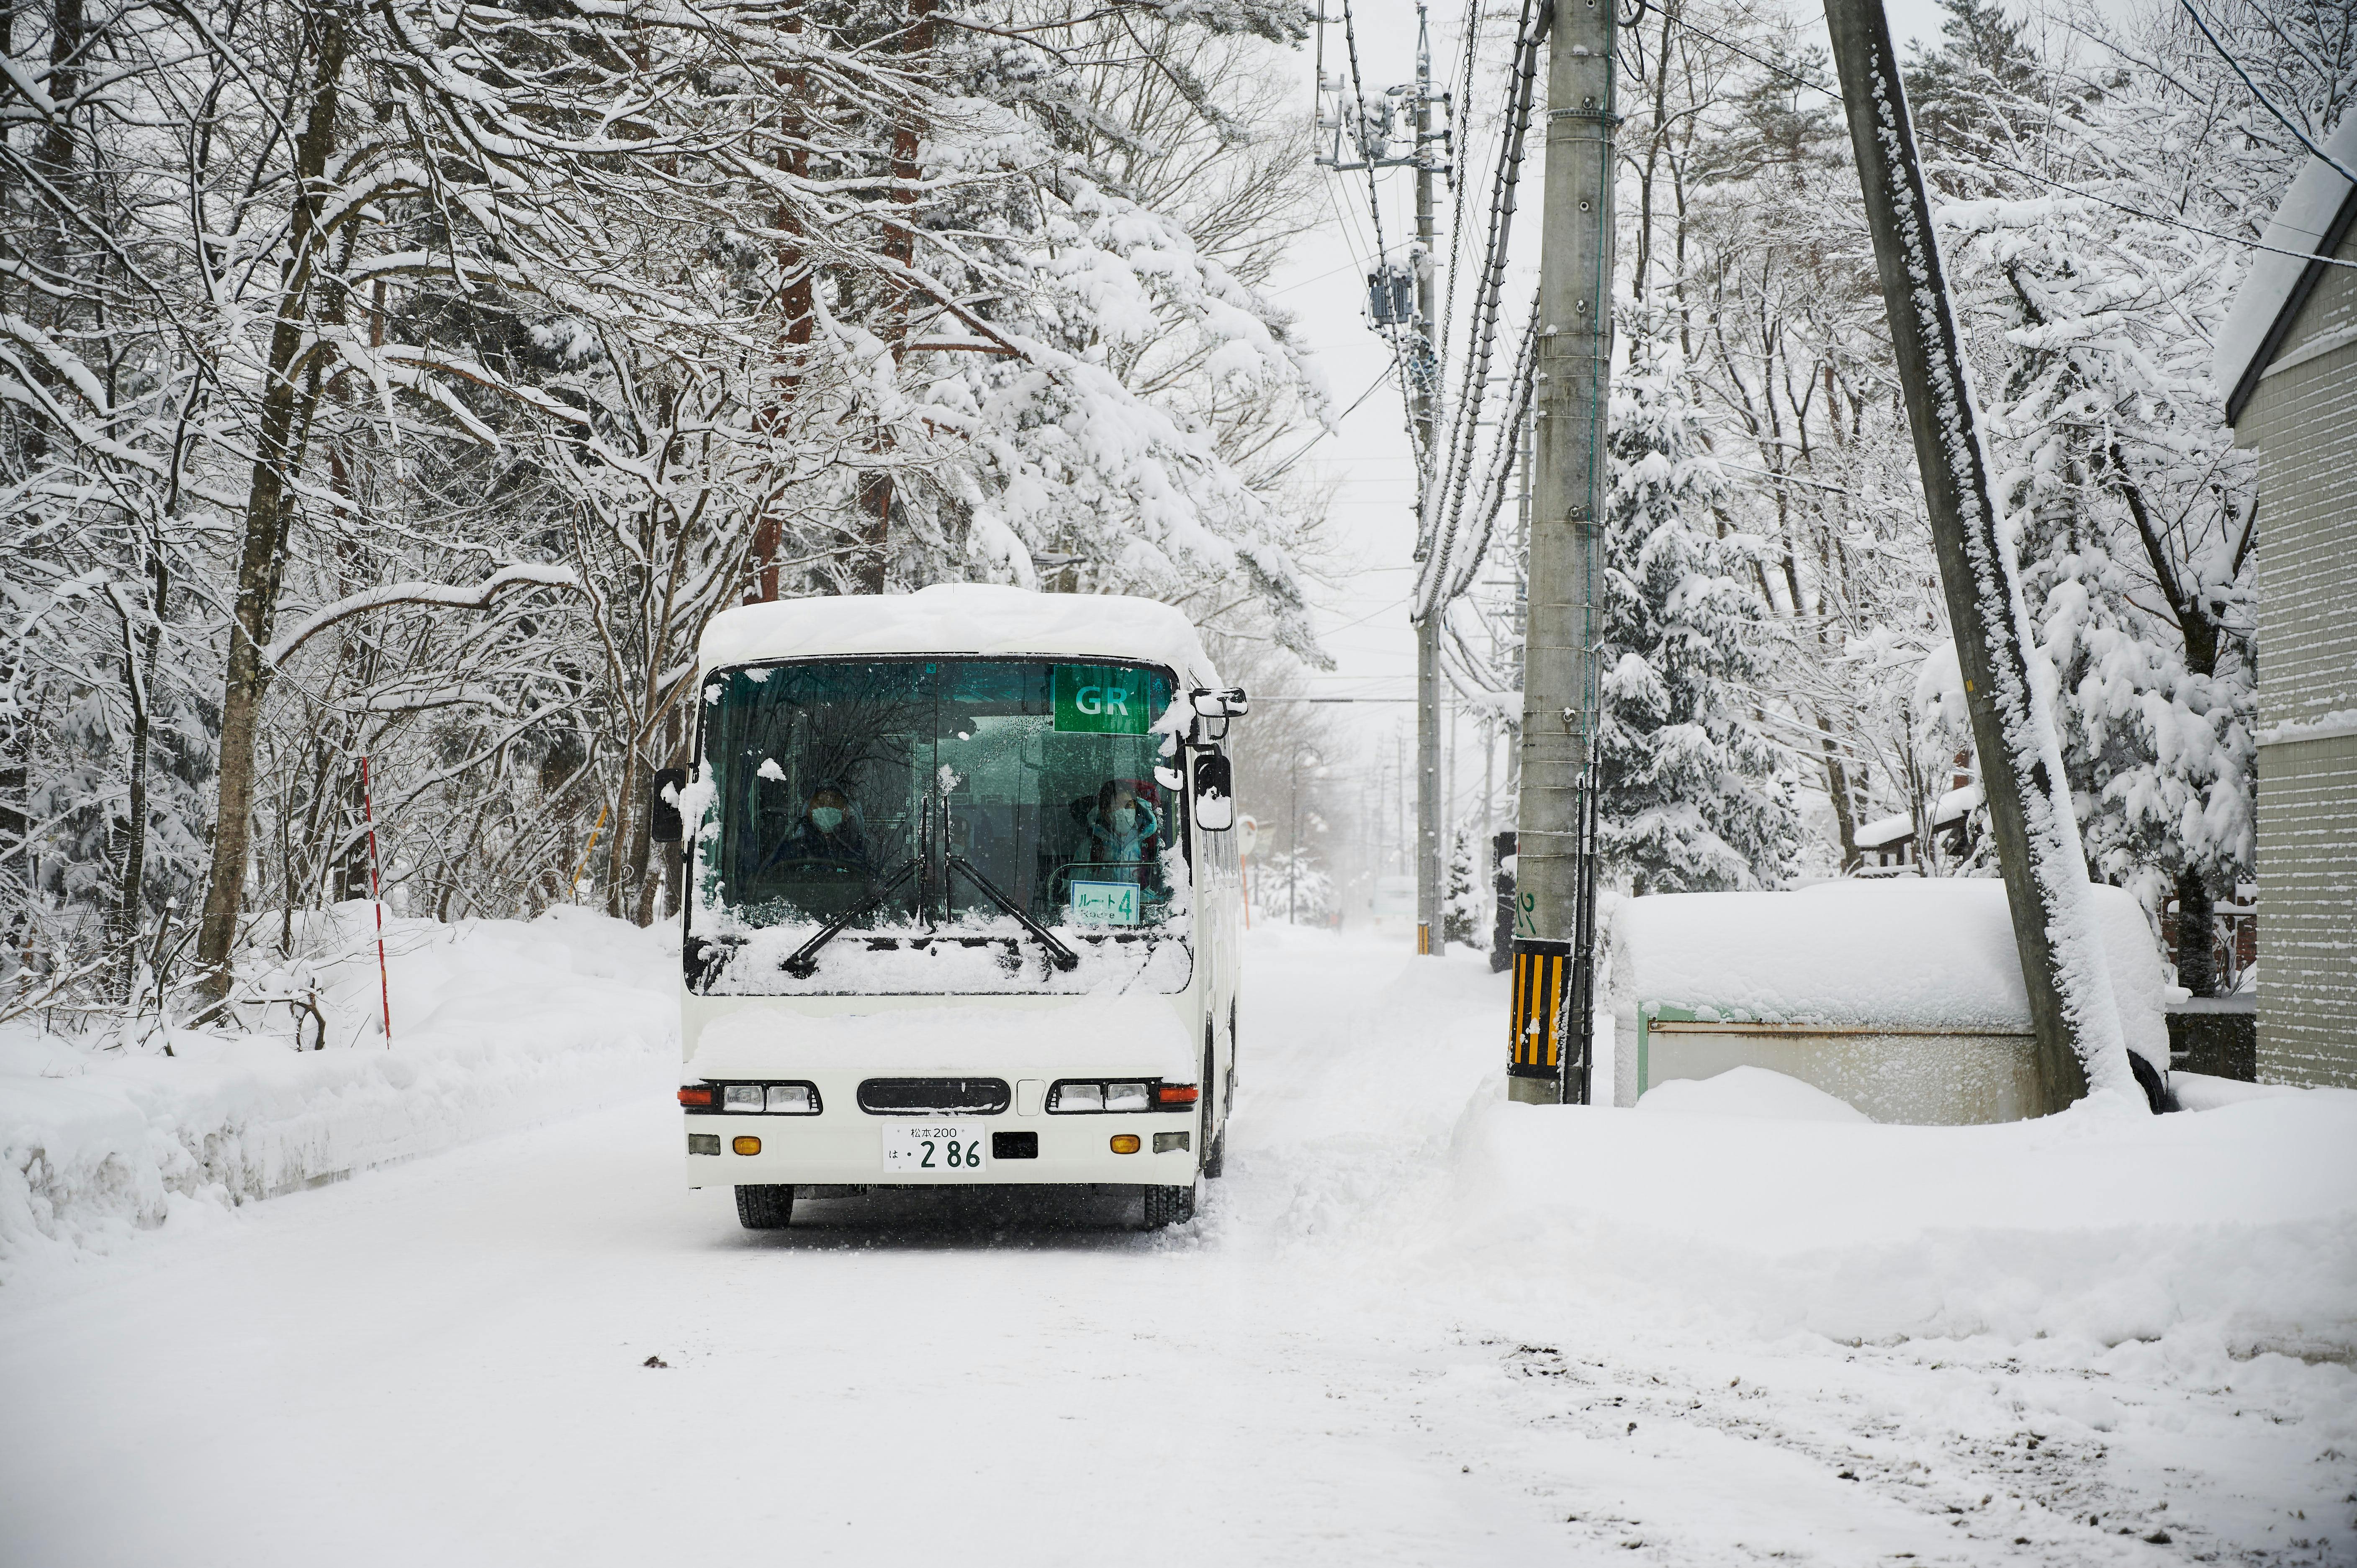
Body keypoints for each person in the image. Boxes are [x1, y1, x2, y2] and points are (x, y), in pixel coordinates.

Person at [770, 784, 871, 873]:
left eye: (834, 803)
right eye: (821, 803)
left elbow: (867, 884)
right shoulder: (792, 851)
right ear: (810, 810)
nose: (826, 809)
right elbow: (771, 883)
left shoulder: (853, 851)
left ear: (845, 812)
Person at [1084, 780, 1159, 875]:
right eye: (1116, 807)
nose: (1123, 812)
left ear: (1135, 806)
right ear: (1105, 812)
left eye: (1128, 805)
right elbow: (1077, 884)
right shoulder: (1092, 845)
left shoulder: (1151, 841)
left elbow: (1162, 882)